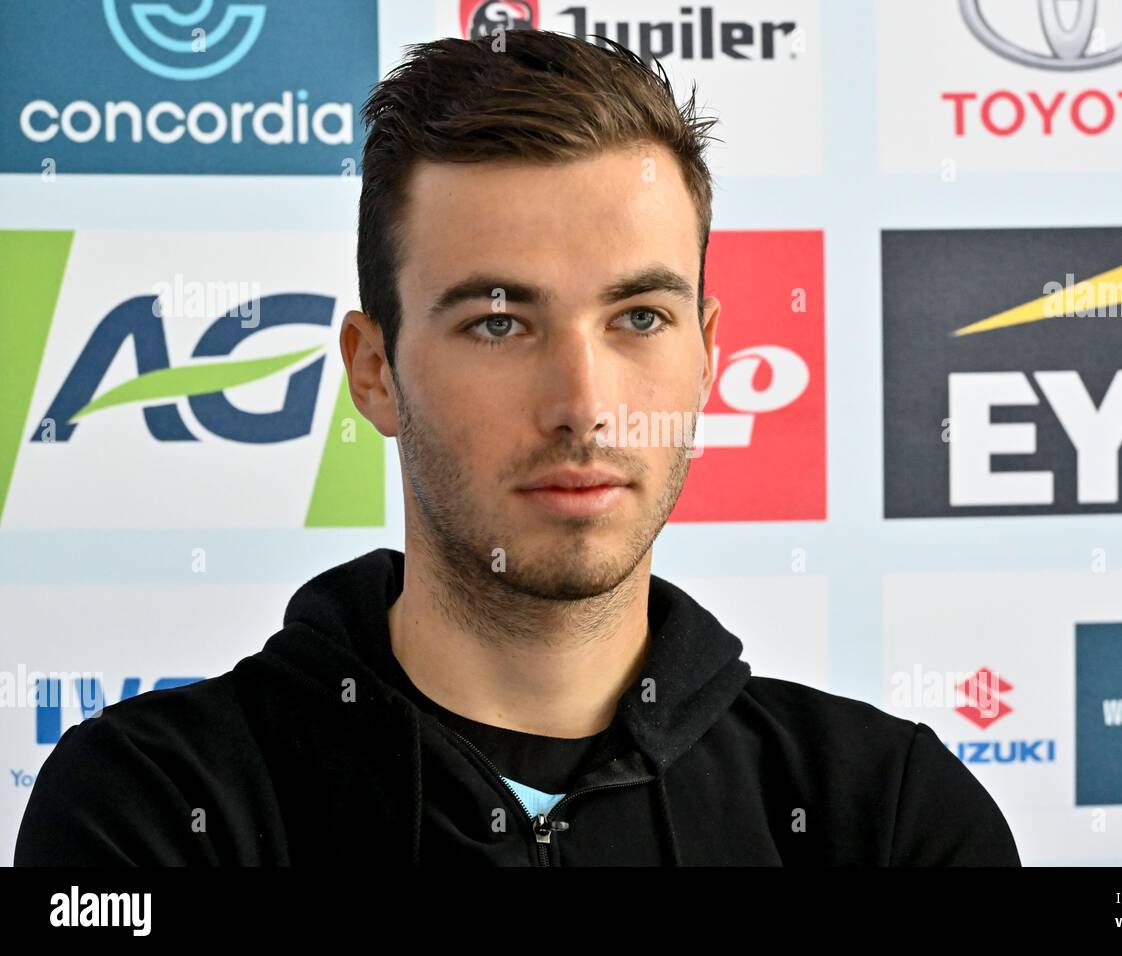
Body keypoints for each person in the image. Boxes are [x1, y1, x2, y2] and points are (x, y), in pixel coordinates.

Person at [14, 29, 1019, 866]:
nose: (583, 405)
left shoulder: (883, 812)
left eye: (638, 317)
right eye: (499, 323)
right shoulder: (156, 811)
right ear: (374, 372)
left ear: (709, 352)